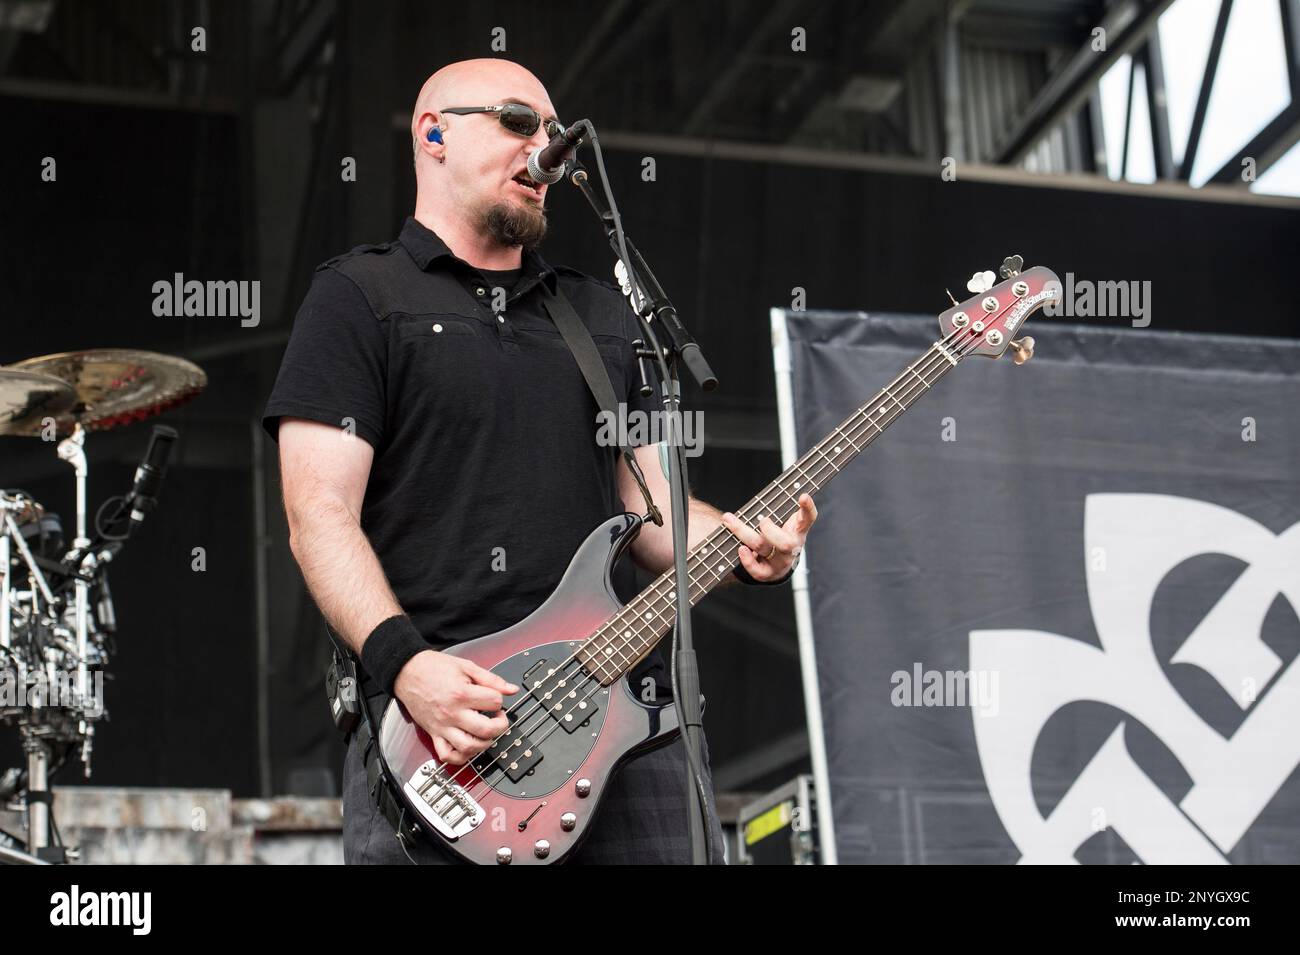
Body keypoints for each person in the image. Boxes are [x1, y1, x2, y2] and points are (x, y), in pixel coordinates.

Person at [262, 58, 817, 864]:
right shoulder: (361, 297)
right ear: (434, 133)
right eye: (520, 122)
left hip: (623, 735)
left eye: (557, 134)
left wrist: (743, 544)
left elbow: (652, 511)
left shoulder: (598, 313)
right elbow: (318, 518)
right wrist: (408, 666)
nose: (547, 148)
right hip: (445, 741)